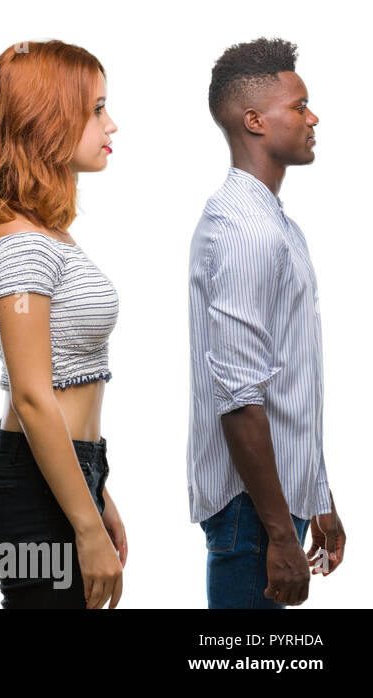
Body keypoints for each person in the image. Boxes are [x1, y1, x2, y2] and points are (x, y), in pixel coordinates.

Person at [0, 40, 125, 609]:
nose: (110, 123)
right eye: (95, 108)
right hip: (32, 491)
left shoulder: (42, 235)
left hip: (62, 477)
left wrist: (98, 496)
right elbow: (31, 392)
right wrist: (88, 527)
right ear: (46, 120)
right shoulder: (22, 246)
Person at [188, 37, 346, 609]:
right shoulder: (244, 231)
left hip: (276, 505)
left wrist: (319, 497)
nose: (312, 117)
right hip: (252, 516)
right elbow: (240, 398)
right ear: (254, 121)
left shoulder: (273, 223)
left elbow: (290, 379)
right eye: (299, 106)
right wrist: (281, 533)